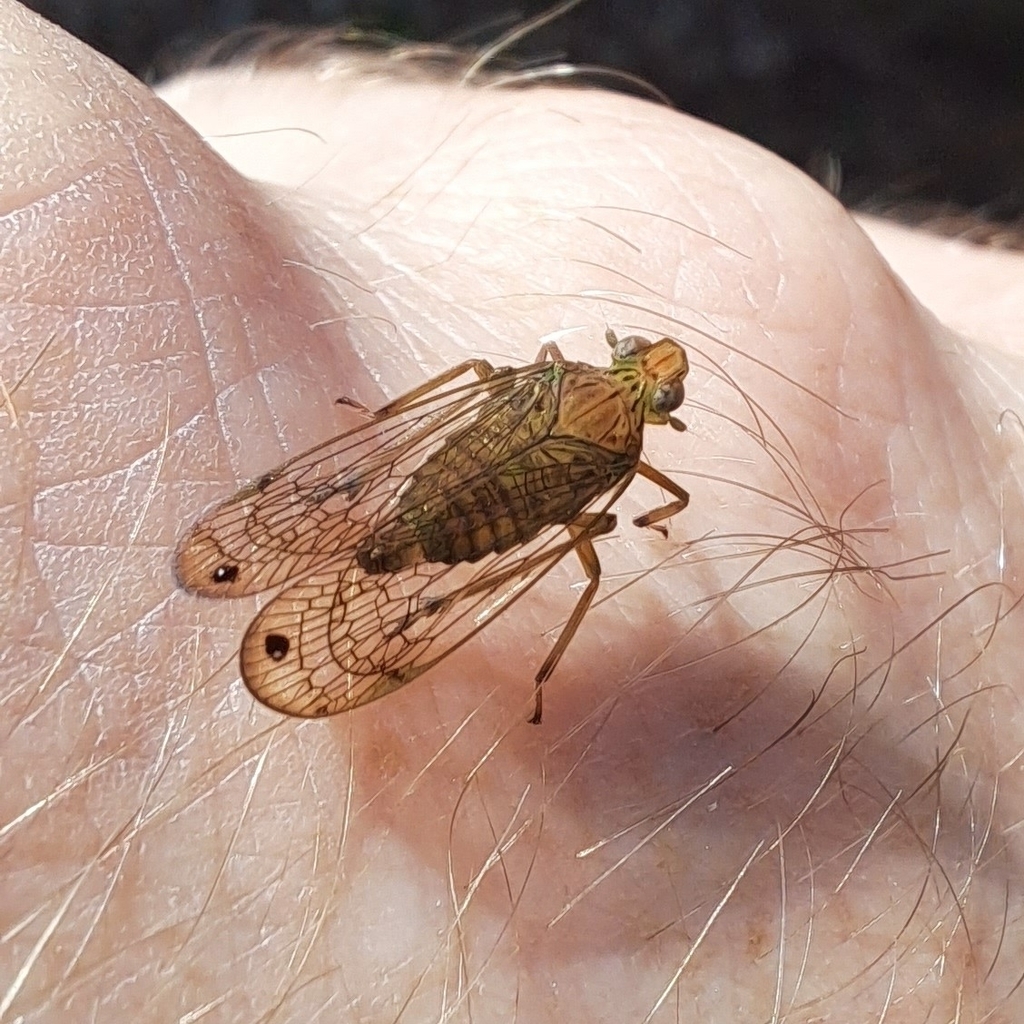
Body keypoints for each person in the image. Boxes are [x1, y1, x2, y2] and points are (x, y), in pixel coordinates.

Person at [3, 6, 1021, 1020]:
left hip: (456, 482)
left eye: (641, 376)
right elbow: (602, 524)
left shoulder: (573, 402)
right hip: (470, 500)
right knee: (567, 557)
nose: (637, 377)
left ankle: (365, 574)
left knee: (502, 454)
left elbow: (483, 393)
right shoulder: (628, 460)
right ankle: (405, 594)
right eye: (638, 371)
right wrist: (632, 528)